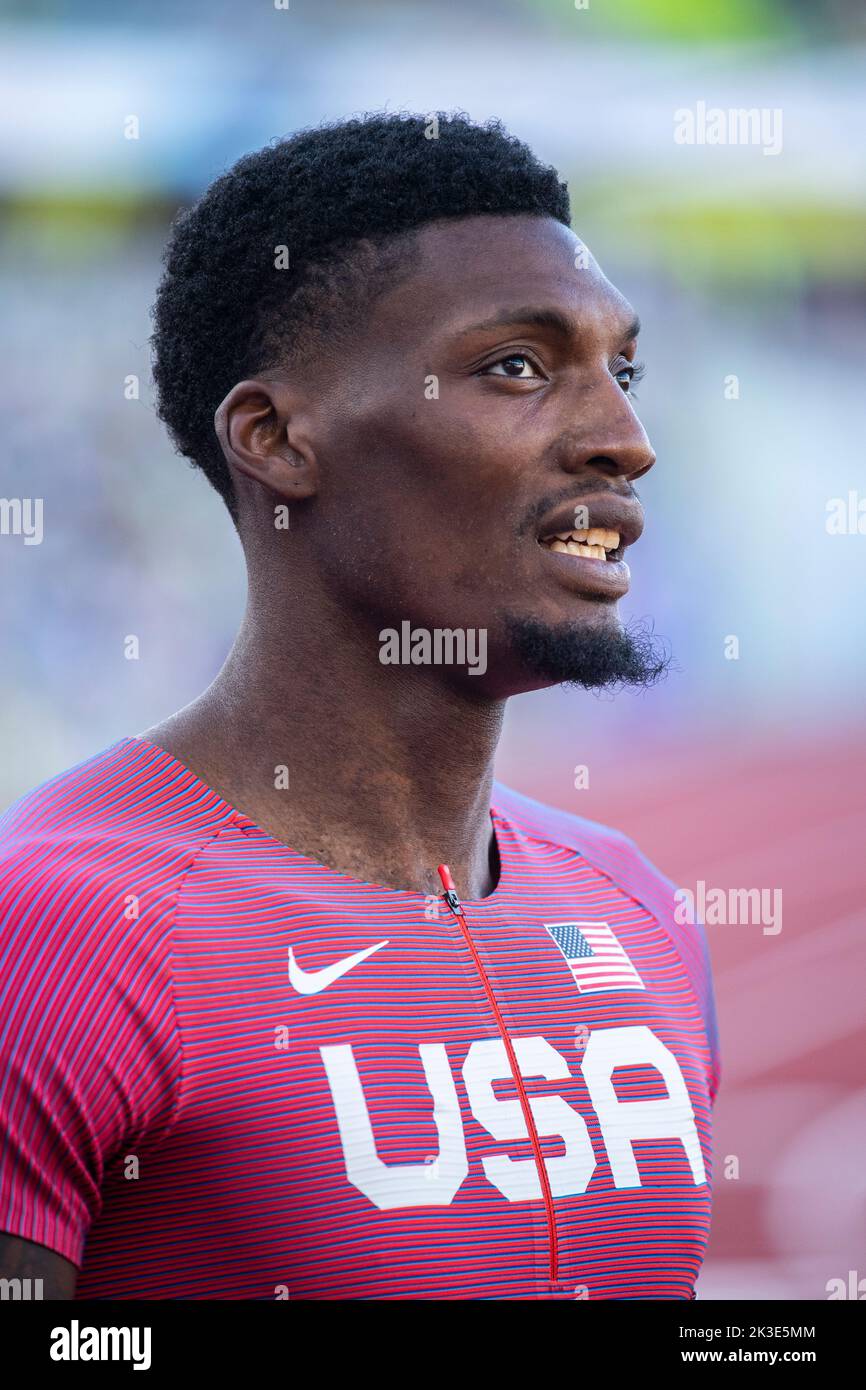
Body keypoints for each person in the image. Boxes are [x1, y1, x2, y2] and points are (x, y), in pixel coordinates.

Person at [0, 112, 719, 1300]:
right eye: (518, 368)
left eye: (622, 372)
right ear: (276, 440)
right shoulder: (62, 932)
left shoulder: (634, 905)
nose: (625, 442)